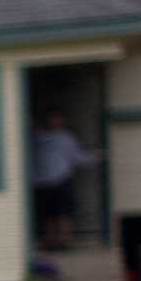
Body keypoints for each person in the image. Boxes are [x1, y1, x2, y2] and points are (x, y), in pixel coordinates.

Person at [32, 107, 100, 251]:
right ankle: (50, 242)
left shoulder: (66, 138)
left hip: (61, 180)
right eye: (53, 118)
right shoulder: (37, 137)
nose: (56, 121)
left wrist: (94, 157)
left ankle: (64, 241)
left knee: (63, 214)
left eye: (58, 118)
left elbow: (78, 158)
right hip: (43, 182)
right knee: (49, 214)